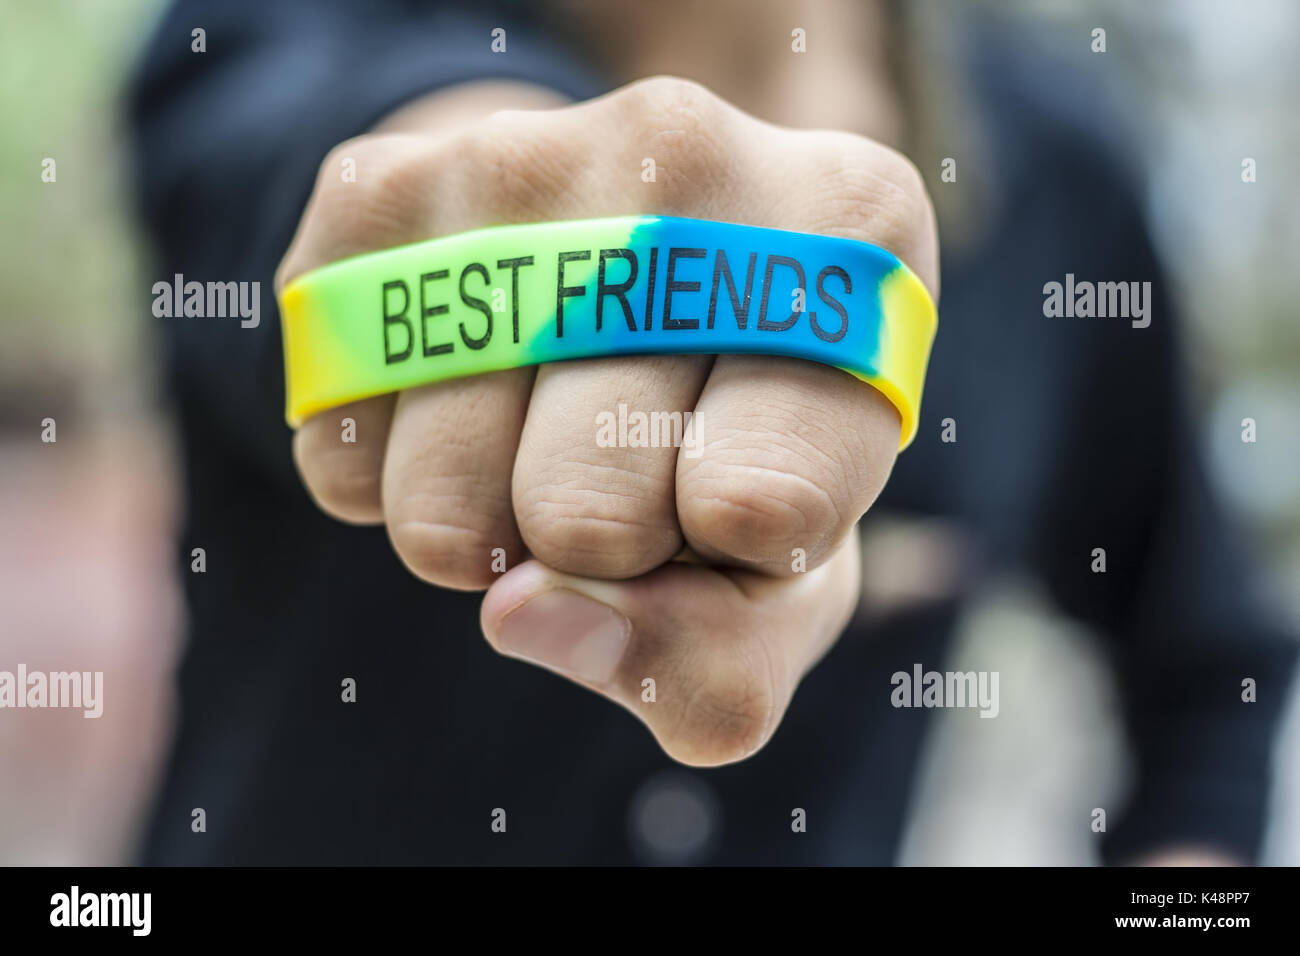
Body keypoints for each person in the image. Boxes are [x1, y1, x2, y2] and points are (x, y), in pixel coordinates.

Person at [127, 0, 1297, 865]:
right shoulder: (275, 35)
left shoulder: (1064, 175)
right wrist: (501, 205)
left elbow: (1208, 664)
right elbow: (384, 170)